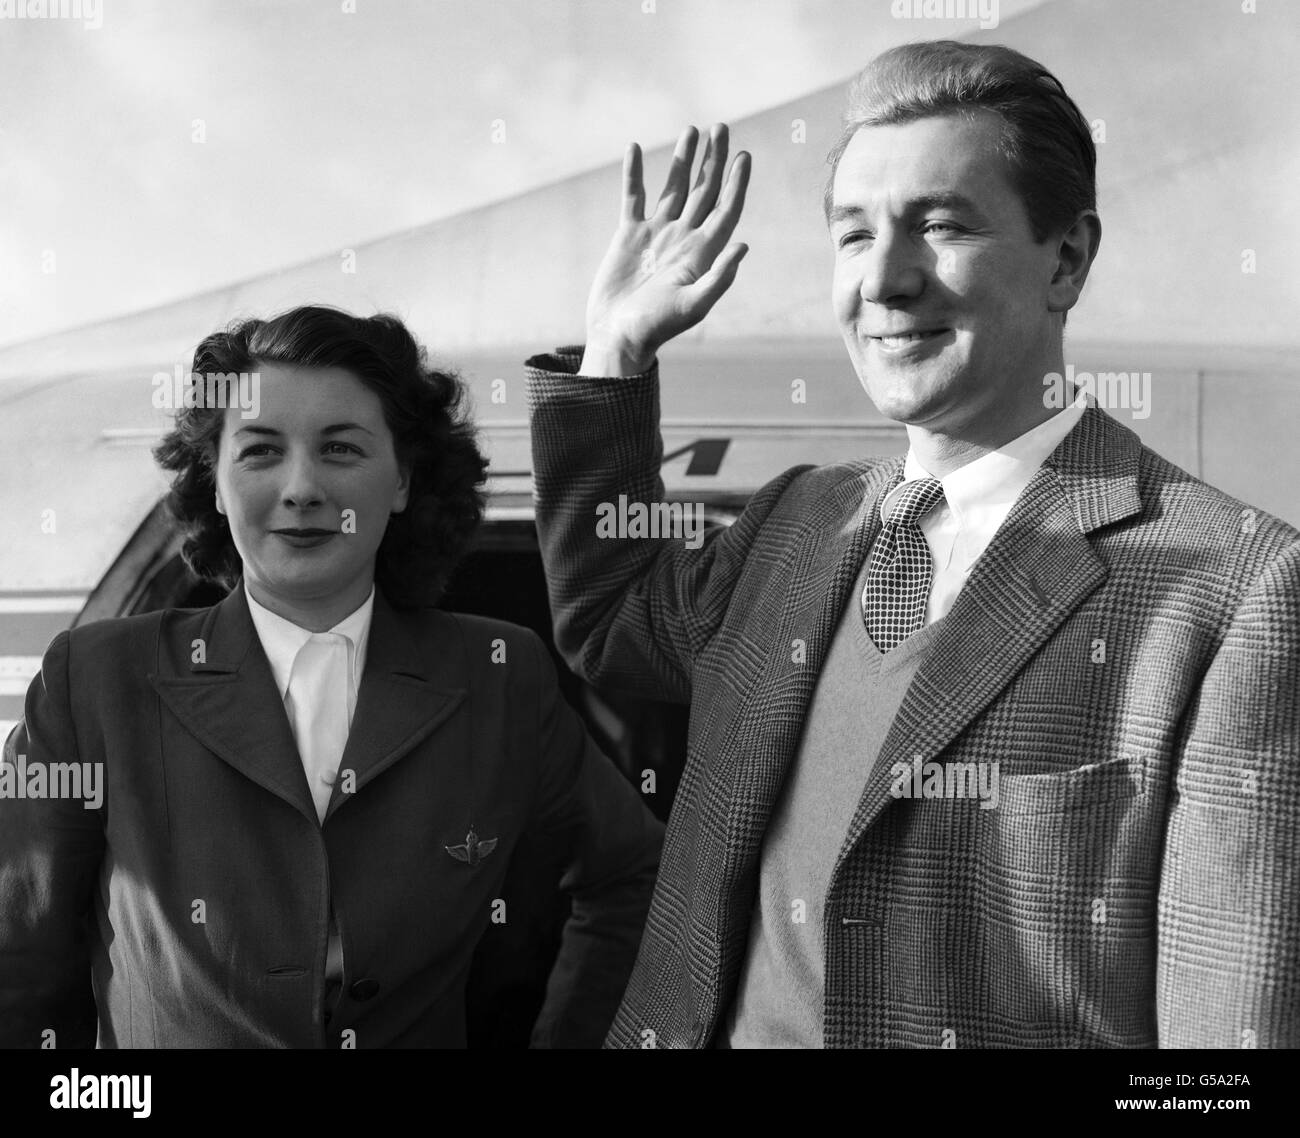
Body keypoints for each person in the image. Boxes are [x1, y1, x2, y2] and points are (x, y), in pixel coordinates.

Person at [525, 41, 1300, 1048]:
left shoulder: (1236, 590)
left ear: (1064, 258)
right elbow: (611, 620)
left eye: (938, 226)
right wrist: (614, 354)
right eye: (855, 236)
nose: (885, 282)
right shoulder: (797, 519)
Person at [0, 304, 663, 1048]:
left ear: (404, 478)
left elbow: (633, 877)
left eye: (341, 449)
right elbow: (20, 964)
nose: (302, 487)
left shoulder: (500, 678)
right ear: (214, 483)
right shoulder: (91, 683)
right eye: (259, 452)